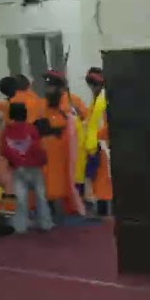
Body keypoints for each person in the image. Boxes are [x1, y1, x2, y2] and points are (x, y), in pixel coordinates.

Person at [39, 71, 89, 216]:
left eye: (52, 85)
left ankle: (74, 210)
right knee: (50, 182)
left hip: (69, 149)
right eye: (48, 85)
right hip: (49, 150)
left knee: (71, 179)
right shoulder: (43, 103)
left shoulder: (73, 100)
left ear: (61, 87)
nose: (49, 88)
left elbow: (85, 118)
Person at [0, 103, 54, 234]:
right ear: (25, 113)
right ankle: (45, 223)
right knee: (41, 196)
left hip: (18, 169)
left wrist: (15, 160)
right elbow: (38, 148)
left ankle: (20, 226)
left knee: (21, 199)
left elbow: (4, 150)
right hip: (35, 168)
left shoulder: (7, 131)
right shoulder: (31, 129)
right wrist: (43, 160)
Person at [78, 68, 112, 216]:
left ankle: (104, 213)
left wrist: (97, 135)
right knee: (99, 182)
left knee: (103, 181)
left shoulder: (103, 101)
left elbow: (106, 125)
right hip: (96, 146)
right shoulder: (98, 101)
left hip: (103, 146)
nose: (92, 88)